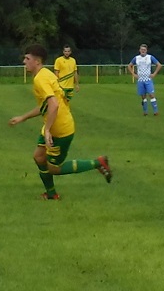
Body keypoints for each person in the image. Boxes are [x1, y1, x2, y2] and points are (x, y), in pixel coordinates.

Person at [9, 44, 110, 200]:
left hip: (61, 129)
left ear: (37, 61)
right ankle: (51, 194)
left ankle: (98, 162)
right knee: (39, 157)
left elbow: (54, 105)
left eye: (27, 58)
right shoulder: (45, 74)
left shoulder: (41, 79)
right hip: (53, 125)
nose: (24, 61)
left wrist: (48, 130)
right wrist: (23, 117)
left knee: (55, 168)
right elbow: (46, 106)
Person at [127, 43, 162, 117]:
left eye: (144, 50)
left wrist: (154, 74)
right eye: (142, 49)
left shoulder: (150, 57)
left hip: (148, 79)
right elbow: (129, 66)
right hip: (140, 80)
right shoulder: (136, 58)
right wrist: (134, 74)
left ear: (146, 50)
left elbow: (159, 65)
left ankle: (155, 111)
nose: (143, 51)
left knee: (151, 95)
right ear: (139, 50)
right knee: (143, 96)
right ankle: (145, 111)